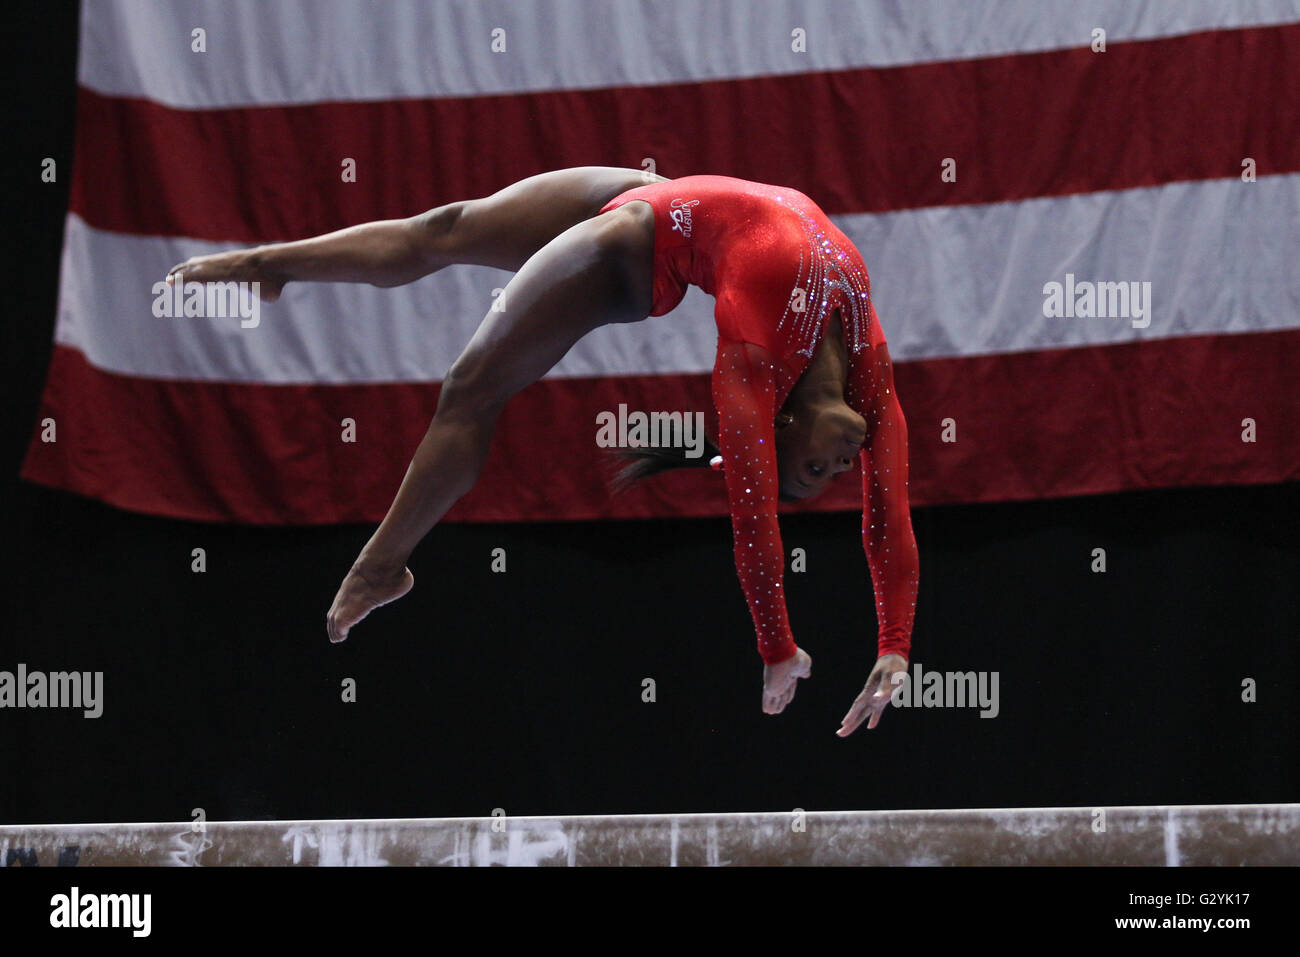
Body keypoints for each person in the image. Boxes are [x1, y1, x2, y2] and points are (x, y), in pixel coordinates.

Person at [165, 166, 919, 736]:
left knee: (469, 385)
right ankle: (272, 265)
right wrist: (893, 645)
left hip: (633, 252)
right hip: (660, 196)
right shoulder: (868, 372)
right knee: (445, 226)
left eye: (818, 472)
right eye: (825, 472)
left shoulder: (751, 369)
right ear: (780, 428)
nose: (846, 464)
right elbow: (886, 516)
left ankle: (381, 565)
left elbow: (756, 522)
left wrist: (783, 646)